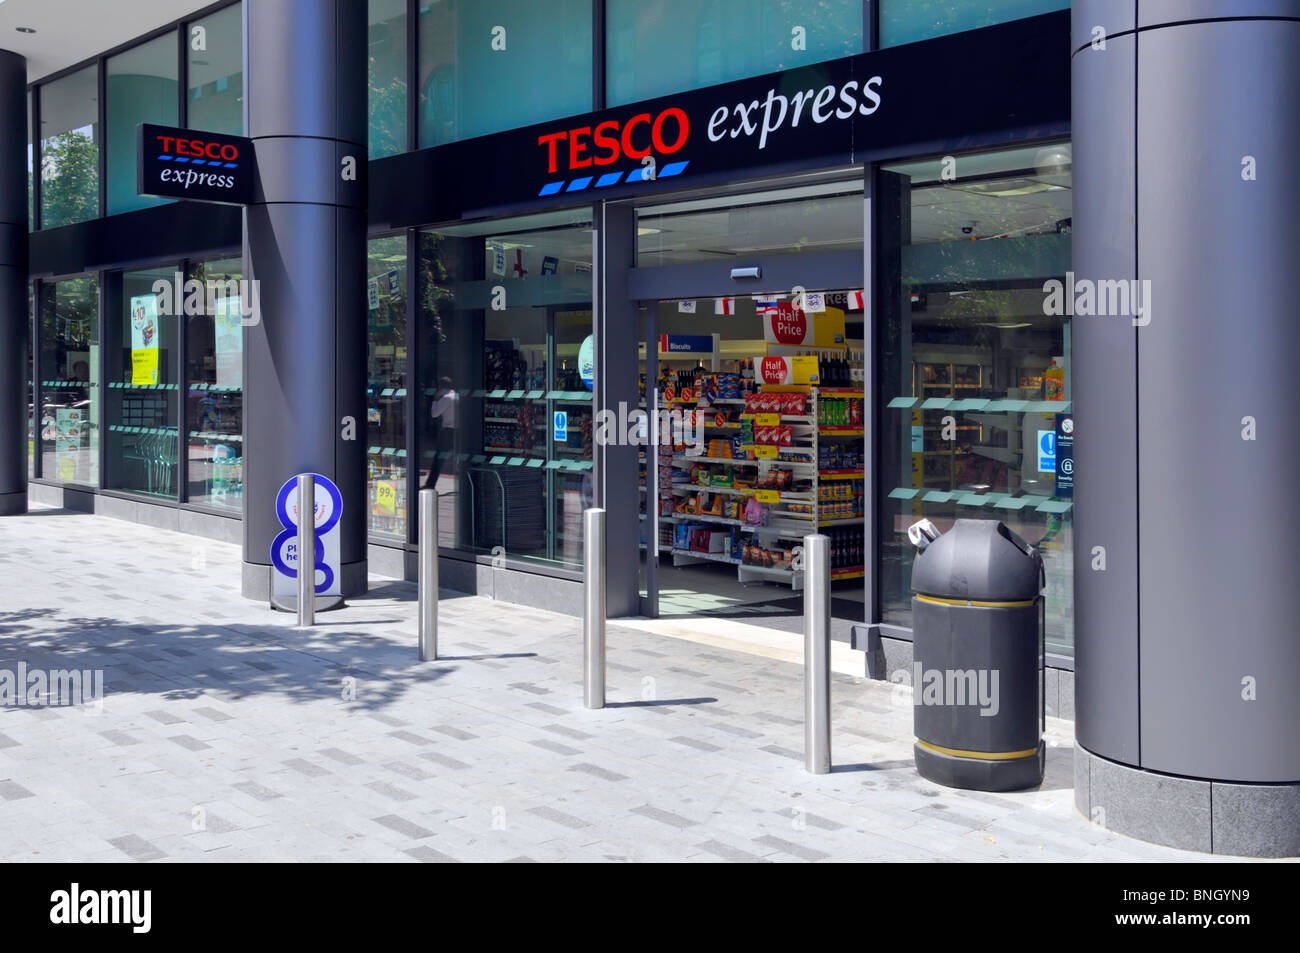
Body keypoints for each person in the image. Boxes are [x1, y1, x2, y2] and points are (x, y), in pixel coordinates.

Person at [423, 377, 457, 489]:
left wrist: (435, 400)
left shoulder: (446, 398)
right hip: (460, 431)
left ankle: (430, 484)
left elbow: (434, 414)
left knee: (439, 459)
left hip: (448, 431)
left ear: (441, 387)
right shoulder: (457, 396)